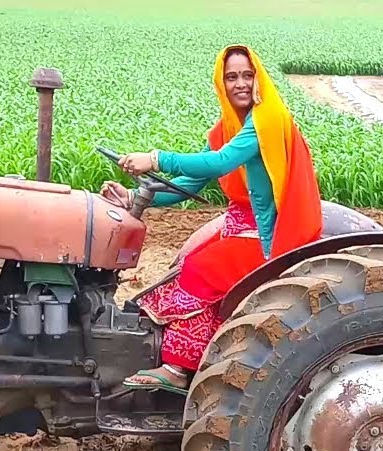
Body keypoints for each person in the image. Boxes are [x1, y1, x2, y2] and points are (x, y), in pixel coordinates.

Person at [99, 44, 322, 395]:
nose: (241, 84)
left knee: (201, 271)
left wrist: (156, 158)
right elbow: (189, 183)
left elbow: (218, 163)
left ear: (259, 79)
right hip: (240, 225)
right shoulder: (227, 127)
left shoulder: (267, 119)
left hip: (272, 236)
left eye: (247, 76)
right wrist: (134, 196)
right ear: (221, 83)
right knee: (184, 263)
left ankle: (178, 367)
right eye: (231, 77)